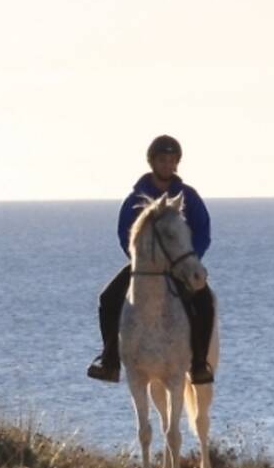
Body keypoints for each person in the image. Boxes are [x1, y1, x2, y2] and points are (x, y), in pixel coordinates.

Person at [86, 135, 215, 385]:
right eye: (162, 160)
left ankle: (199, 364)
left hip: (180, 268)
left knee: (205, 301)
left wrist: (188, 262)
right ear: (152, 162)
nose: (167, 165)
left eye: (171, 160)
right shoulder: (136, 198)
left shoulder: (188, 196)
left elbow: (203, 231)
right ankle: (109, 360)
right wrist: (142, 262)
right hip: (144, 268)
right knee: (108, 299)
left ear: (177, 163)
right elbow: (126, 234)